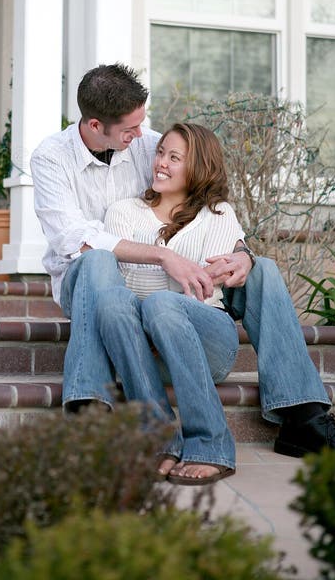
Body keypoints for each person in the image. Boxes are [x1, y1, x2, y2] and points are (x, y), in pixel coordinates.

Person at [30, 63, 335, 466]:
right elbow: (75, 239)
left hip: (164, 310)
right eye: (130, 130)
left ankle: (303, 417)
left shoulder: (148, 145)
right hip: (86, 286)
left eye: (145, 128)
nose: (144, 140)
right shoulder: (51, 158)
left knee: (261, 270)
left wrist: (241, 253)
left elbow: (198, 176)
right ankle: (89, 407)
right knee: (97, 262)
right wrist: (163, 255)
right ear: (93, 125)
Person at [100, 122, 244, 483]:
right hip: (146, 354)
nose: (161, 162)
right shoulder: (123, 212)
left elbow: (202, 290)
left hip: (209, 342)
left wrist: (161, 280)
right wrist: (172, 267)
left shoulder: (219, 214)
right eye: (160, 152)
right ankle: (160, 438)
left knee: (161, 304)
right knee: (115, 303)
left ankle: (211, 444)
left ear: (199, 167)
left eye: (174, 157)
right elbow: (122, 288)